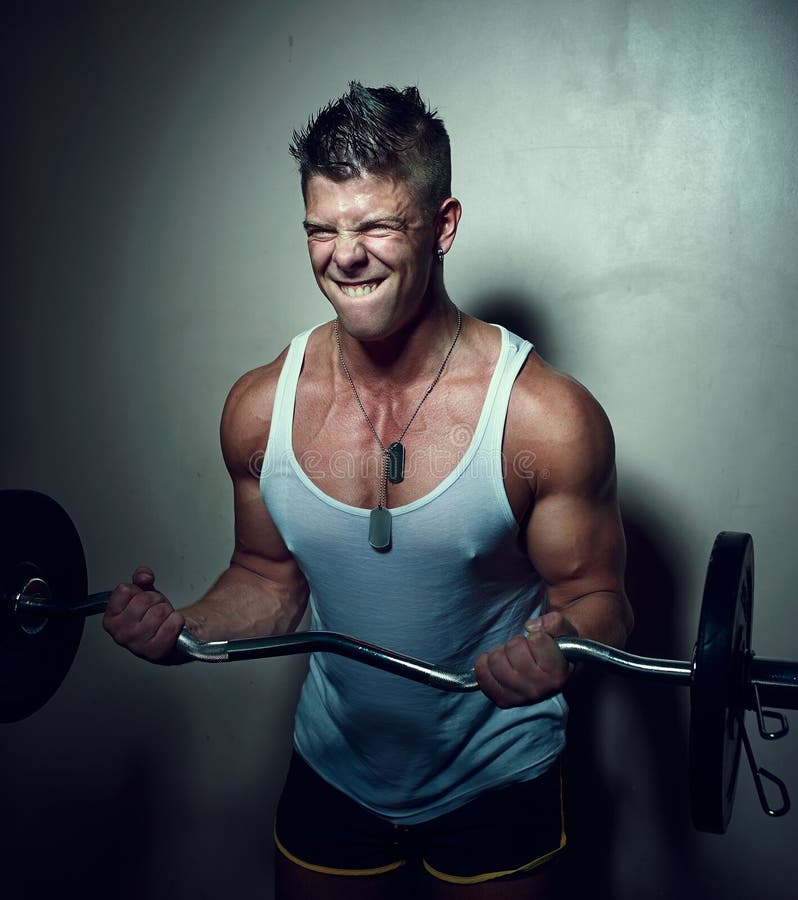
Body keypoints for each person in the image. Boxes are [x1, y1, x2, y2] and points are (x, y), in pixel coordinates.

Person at [103, 83, 633, 899]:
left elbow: (600, 596)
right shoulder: (259, 408)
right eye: (323, 229)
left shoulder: (544, 420)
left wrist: (558, 647)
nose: (344, 256)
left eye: (377, 225)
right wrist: (186, 627)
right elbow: (266, 580)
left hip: (497, 781)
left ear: (443, 225)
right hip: (334, 770)